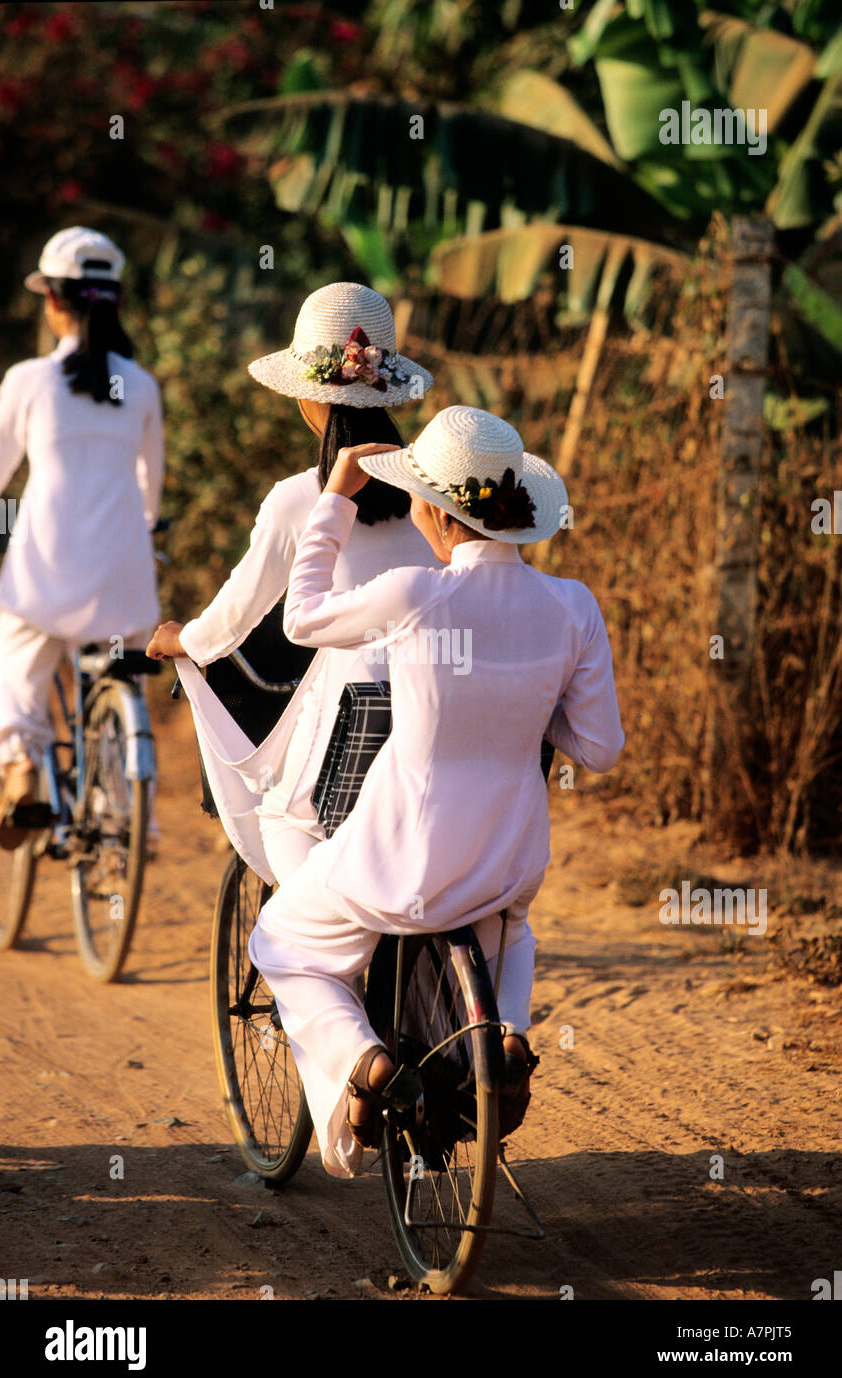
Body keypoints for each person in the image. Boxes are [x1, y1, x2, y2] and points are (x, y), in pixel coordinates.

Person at [247, 404, 626, 1178]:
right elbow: (599, 748)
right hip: (505, 858)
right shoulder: (571, 606)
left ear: (432, 508)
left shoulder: (414, 594)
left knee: (279, 942)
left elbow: (300, 618)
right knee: (510, 927)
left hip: (398, 864)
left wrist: (338, 496)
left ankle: (368, 1062)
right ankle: (509, 1040)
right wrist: (523, 706)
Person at [147, 282, 437, 886]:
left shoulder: (298, 500)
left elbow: (233, 619)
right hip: (435, 718)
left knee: (283, 834)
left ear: (311, 401)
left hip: (347, 737)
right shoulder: (434, 498)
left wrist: (182, 639)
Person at [0, 227, 163, 849]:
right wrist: (146, 528)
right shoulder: (141, 386)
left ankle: (18, 769)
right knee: (115, 672)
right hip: (121, 576)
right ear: (113, 302)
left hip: (44, 570)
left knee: (16, 666)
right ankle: (124, 810)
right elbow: (150, 492)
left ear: (53, 301)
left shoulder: (29, 381)